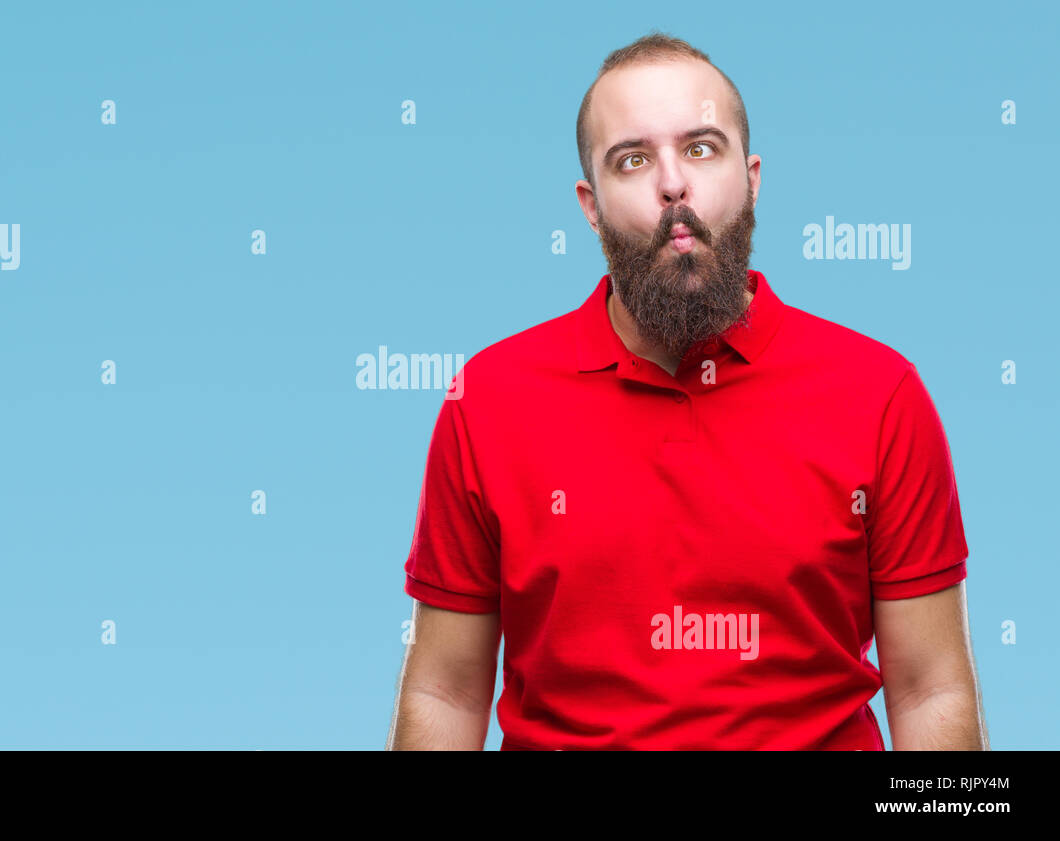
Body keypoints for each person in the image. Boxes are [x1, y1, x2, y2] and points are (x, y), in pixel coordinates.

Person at [387, 32, 987, 750]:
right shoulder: (486, 401)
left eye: (701, 148)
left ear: (753, 177)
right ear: (590, 203)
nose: (673, 185)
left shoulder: (880, 392)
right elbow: (444, 691)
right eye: (633, 159)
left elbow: (931, 689)